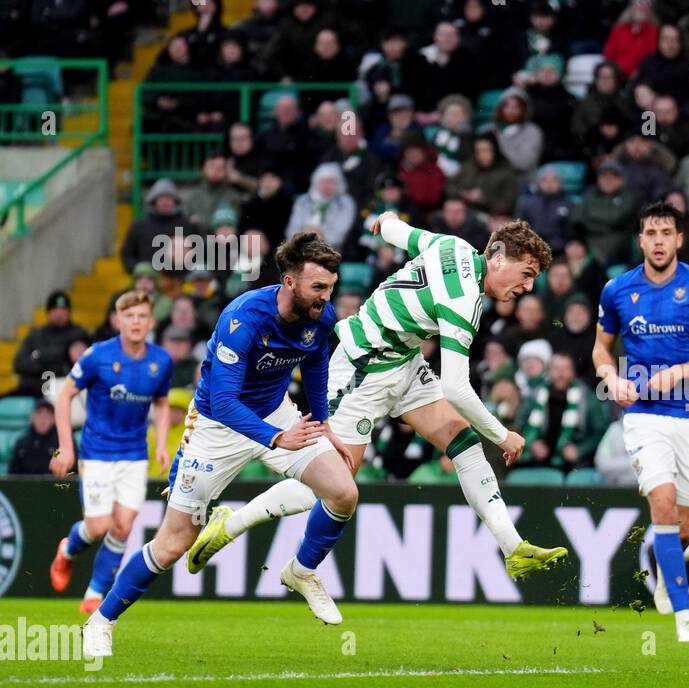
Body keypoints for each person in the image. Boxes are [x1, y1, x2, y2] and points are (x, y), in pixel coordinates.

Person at [185, 216, 568, 582]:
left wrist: (385, 220)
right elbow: (455, 387)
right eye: (527, 274)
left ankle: (513, 547)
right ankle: (231, 523)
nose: (528, 287)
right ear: (499, 259)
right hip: (362, 369)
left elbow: (401, 233)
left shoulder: (453, 247)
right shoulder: (464, 301)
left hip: (403, 360)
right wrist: (502, 435)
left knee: (464, 443)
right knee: (333, 481)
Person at [82, 232, 360, 658]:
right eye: (318, 287)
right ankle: (101, 620)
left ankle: (301, 572)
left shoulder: (319, 319)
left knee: (344, 492)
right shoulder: (243, 318)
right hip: (216, 427)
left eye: (331, 287)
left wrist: (323, 425)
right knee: (174, 543)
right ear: (289, 282)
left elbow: (317, 365)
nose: (327, 296)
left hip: (276, 414)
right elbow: (225, 402)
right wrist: (277, 439)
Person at [592, 201, 689, 643]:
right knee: (660, 501)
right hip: (643, 415)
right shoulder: (618, 290)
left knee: (682, 526)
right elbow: (600, 349)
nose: (658, 241)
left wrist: (681, 372)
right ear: (640, 239)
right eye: (651, 233)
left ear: (679, 239)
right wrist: (610, 376)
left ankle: (667, 571)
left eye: (666, 233)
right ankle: (684, 618)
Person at [47, 291, 173, 615]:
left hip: (135, 455)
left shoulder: (161, 361)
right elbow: (64, 396)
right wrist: (65, 447)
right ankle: (67, 549)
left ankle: (94, 592)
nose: (135, 322)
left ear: (150, 321)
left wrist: (160, 443)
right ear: (118, 321)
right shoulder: (97, 356)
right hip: (98, 451)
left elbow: (160, 404)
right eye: (129, 317)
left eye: (141, 316)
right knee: (99, 525)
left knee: (123, 527)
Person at [12, 291, 90, 396]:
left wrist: (39, 356)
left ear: (69, 312)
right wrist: (50, 361)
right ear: (48, 312)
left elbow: (82, 363)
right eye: (55, 309)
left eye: (63, 310)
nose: (59, 313)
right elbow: (19, 364)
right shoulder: (36, 336)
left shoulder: (79, 335)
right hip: (35, 390)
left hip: (66, 390)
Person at [7, 401, 59, 476]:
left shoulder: (62, 443)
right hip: (25, 486)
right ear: (32, 418)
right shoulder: (22, 443)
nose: (43, 420)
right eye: (39, 414)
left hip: (54, 486)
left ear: (53, 419)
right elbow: (12, 475)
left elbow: (71, 474)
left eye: (47, 415)